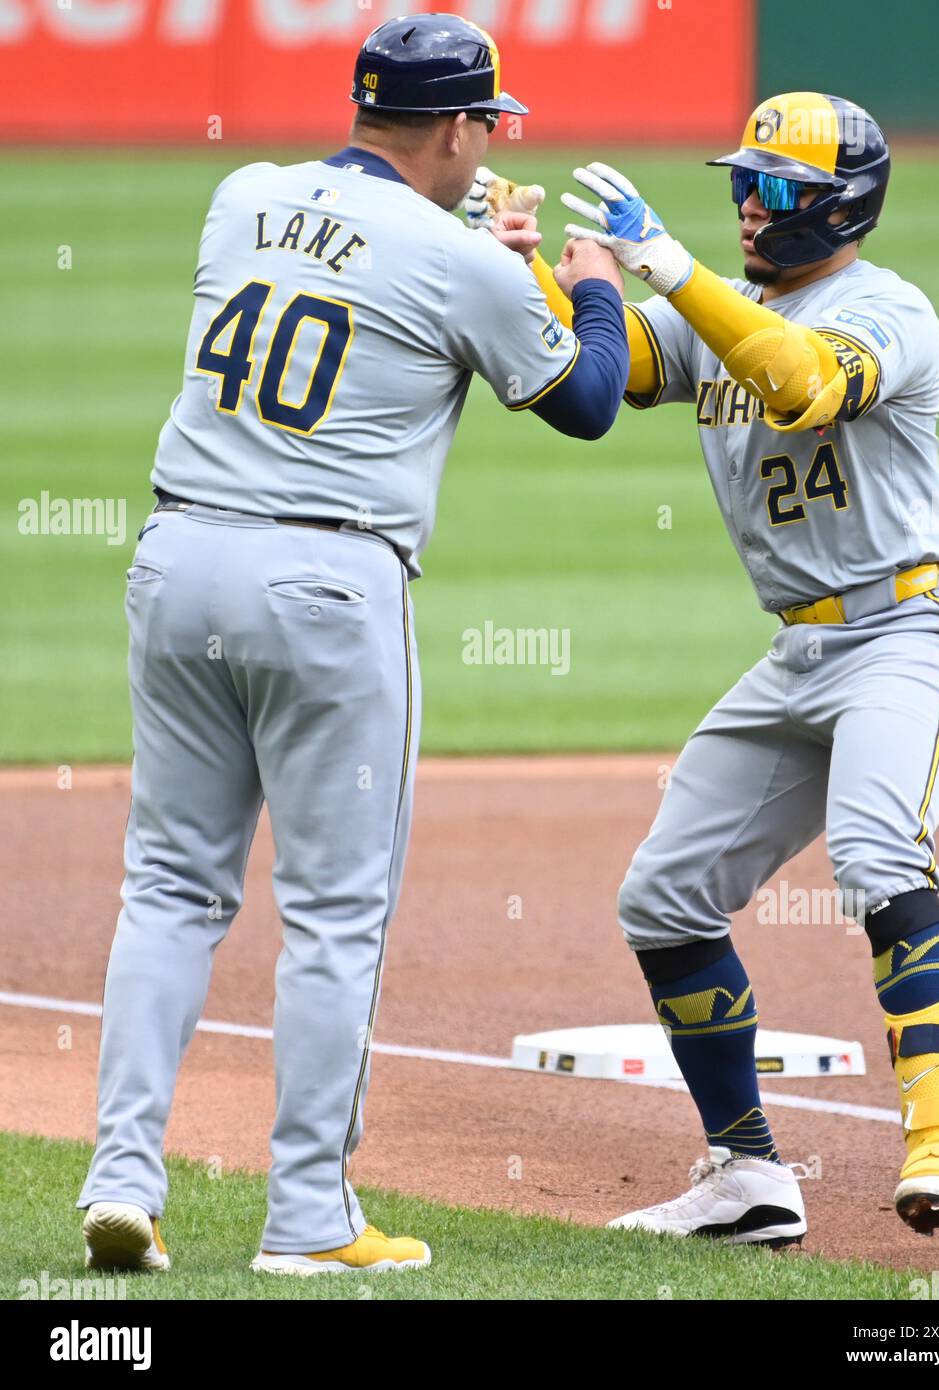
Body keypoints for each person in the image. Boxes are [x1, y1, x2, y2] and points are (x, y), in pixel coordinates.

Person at [77, 12, 628, 1277]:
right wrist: (582, 278)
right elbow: (588, 402)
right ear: (453, 128)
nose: (494, 141)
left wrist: (475, 256)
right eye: (489, 123)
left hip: (178, 559)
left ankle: (122, 1181)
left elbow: (357, 275)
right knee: (332, 914)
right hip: (326, 582)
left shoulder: (241, 194)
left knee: (166, 887)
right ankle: (310, 1221)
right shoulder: (464, 260)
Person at [480, 91, 939, 1245]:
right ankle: (745, 1175)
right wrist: (541, 274)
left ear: (840, 205)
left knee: (877, 852)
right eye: (739, 182)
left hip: (910, 632)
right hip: (801, 647)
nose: (745, 206)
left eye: (771, 188)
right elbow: (619, 368)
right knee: (662, 897)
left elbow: (796, 383)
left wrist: (664, 262)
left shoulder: (886, 311)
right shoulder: (729, 307)